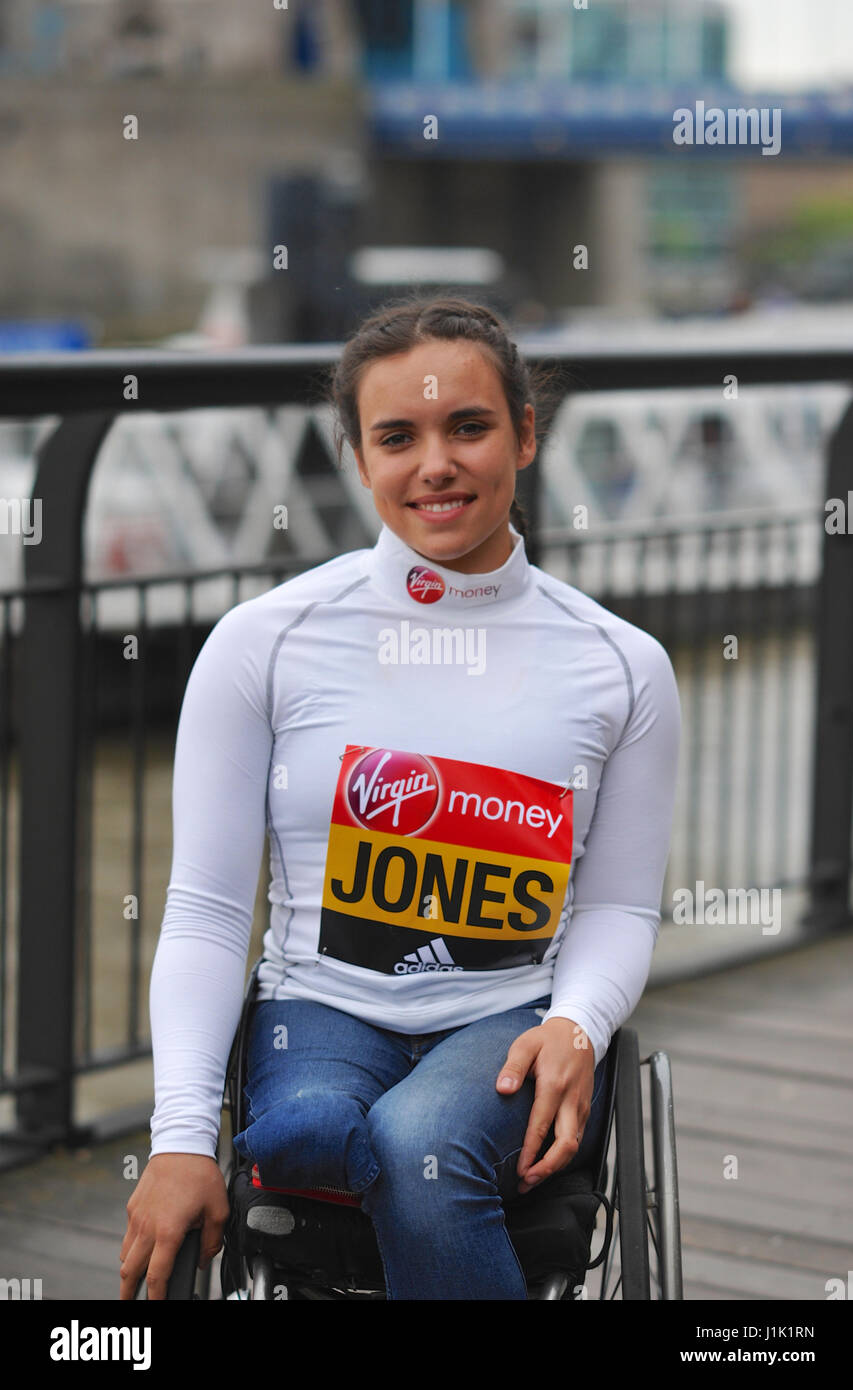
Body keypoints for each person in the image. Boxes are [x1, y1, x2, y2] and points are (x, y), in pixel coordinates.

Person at [120, 295, 681, 1301]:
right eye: (397, 436)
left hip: (505, 1016)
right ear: (356, 453)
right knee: (305, 1131)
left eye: (468, 426)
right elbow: (207, 911)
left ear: (525, 431)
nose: (436, 463)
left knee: (415, 1139)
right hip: (317, 1014)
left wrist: (580, 1026)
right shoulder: (263, 644)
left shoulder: (622, 667)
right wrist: (174, 1138)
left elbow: (618, 907)